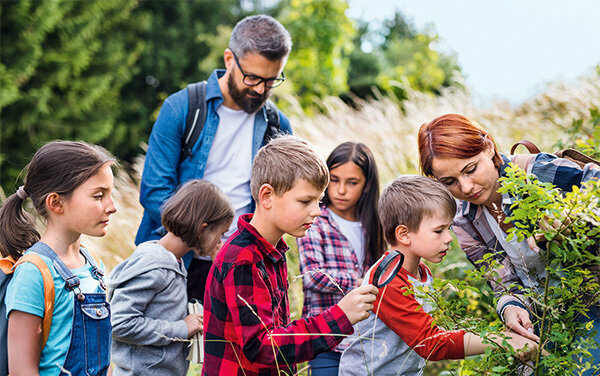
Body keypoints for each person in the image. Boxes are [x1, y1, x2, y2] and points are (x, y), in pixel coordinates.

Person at [417, 113, 600, 370]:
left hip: (590, 299)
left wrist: (572, 214)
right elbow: (502, 282)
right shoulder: (463, 219)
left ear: (489, 147)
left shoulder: (534, 172)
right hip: (544, 315)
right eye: (450, 182)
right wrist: (511, 309)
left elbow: (596, 183)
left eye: (470, 169)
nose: (466, 187)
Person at [136, 14, 293, 302]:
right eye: (253, 78)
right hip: (177, 262)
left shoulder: (278, 125)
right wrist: (208, 242)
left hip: (244, 264)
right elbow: (155, 191)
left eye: (271, 81)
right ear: (229, 59)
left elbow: (281, 200)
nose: (260, 90)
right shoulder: (181, 108)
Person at [202, 136, 380, 376]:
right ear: (267, 196)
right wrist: (340, 316)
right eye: (305, 201)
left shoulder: (273, 251)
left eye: (318, 200)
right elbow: (262, 346)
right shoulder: (243, 260)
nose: (316, 211)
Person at [338, 175, 540, 376]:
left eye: (449, 228)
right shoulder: (387, 280)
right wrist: (501, 340)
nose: (448, 239)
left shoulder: (420, 273)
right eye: (438, 231)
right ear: (404, 234)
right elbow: (431, 343)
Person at [0, 141, 116, 376]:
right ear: (56, 203)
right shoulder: (34, 272)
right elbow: (22, 371)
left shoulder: (94, 264)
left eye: (110, 194)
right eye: (98, 196)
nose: (112, 206)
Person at [109, 179, 234, 376]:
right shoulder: (154, 266)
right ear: (202, 230)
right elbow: (118, 322)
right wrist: (181, 328)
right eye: (221, 234)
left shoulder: (175, 263)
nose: (220, 241)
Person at [296, 141, 385, 375]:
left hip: (368, 341)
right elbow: (311, 276)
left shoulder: (375, 225)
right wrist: (359, 282)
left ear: (367, 185)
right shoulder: (315, 220)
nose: (341, 190)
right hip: (327, 341)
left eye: (352, 182)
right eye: (334, 180)